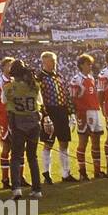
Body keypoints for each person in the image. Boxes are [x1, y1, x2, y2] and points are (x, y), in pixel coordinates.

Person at [2, 60, 43, 200]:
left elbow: (3, 101)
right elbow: (40, 102)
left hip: (18, 123)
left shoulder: (8, 87)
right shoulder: (35, 86)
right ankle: (37, 189)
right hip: (34, 123)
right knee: (33, 157)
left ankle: (16, 189)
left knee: (15, 157)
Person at [35, 51, 76, 184]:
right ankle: (46, 173)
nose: (54, 63)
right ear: (44, 62)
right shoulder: (39, 78)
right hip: (49, 112)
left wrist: (71, 113)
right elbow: (38, 98)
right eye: (51, 61)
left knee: (64, 142)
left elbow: (66, 95)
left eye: (54, 60)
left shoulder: (59, 76)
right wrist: (45, 115)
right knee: (48, 143)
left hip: (62, 111)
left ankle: (66, 173)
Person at [68, 53, 106, 179]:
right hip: (83, 113)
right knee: (83, 141)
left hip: (94, 111)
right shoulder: (76, 79)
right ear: (81, 65)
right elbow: (72, 98)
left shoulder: (91, 77)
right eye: (88, 64)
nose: (91, 66)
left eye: (91, 63)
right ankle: (82, 171)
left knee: (96, 141)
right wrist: (77, 112)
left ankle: (97, 170)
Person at [0, 57, 15, 188]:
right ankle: (5, 179)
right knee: (6, 148)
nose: (11, 68)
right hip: (6, 120)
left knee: (20, 149)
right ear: (3, 67)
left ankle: (19, 177)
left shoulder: (17, 81)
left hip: (18, 119)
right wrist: (2, 116)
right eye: (9, 66)